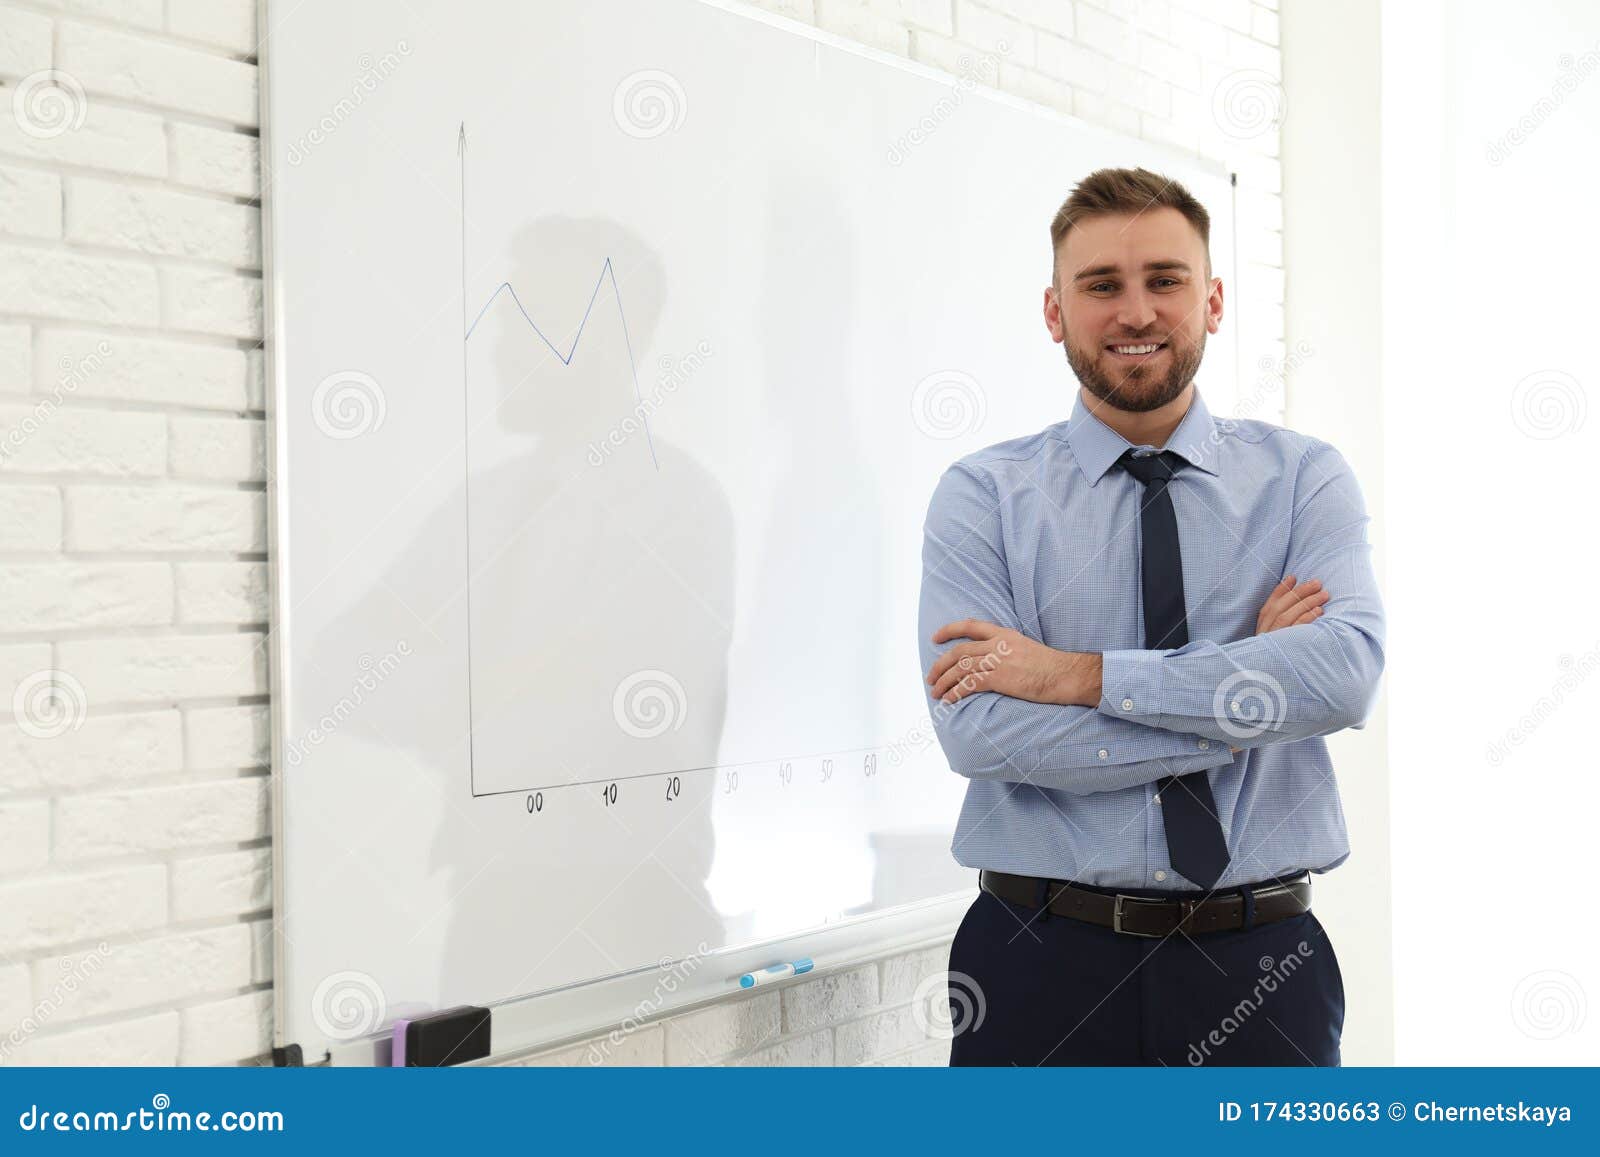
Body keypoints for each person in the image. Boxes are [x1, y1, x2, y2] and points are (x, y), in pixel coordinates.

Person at [916, 166, 1385, 1066]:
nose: (1137, 312)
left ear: (1211, 300)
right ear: (1055, 312)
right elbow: (980, 734)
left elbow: (1344, 674)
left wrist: (1074, 675)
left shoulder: (1302, 480)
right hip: (1036, 963)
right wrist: (1248, 696)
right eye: (1102, 286)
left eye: (1165, 280)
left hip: (1263, 966)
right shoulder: (983, 496)